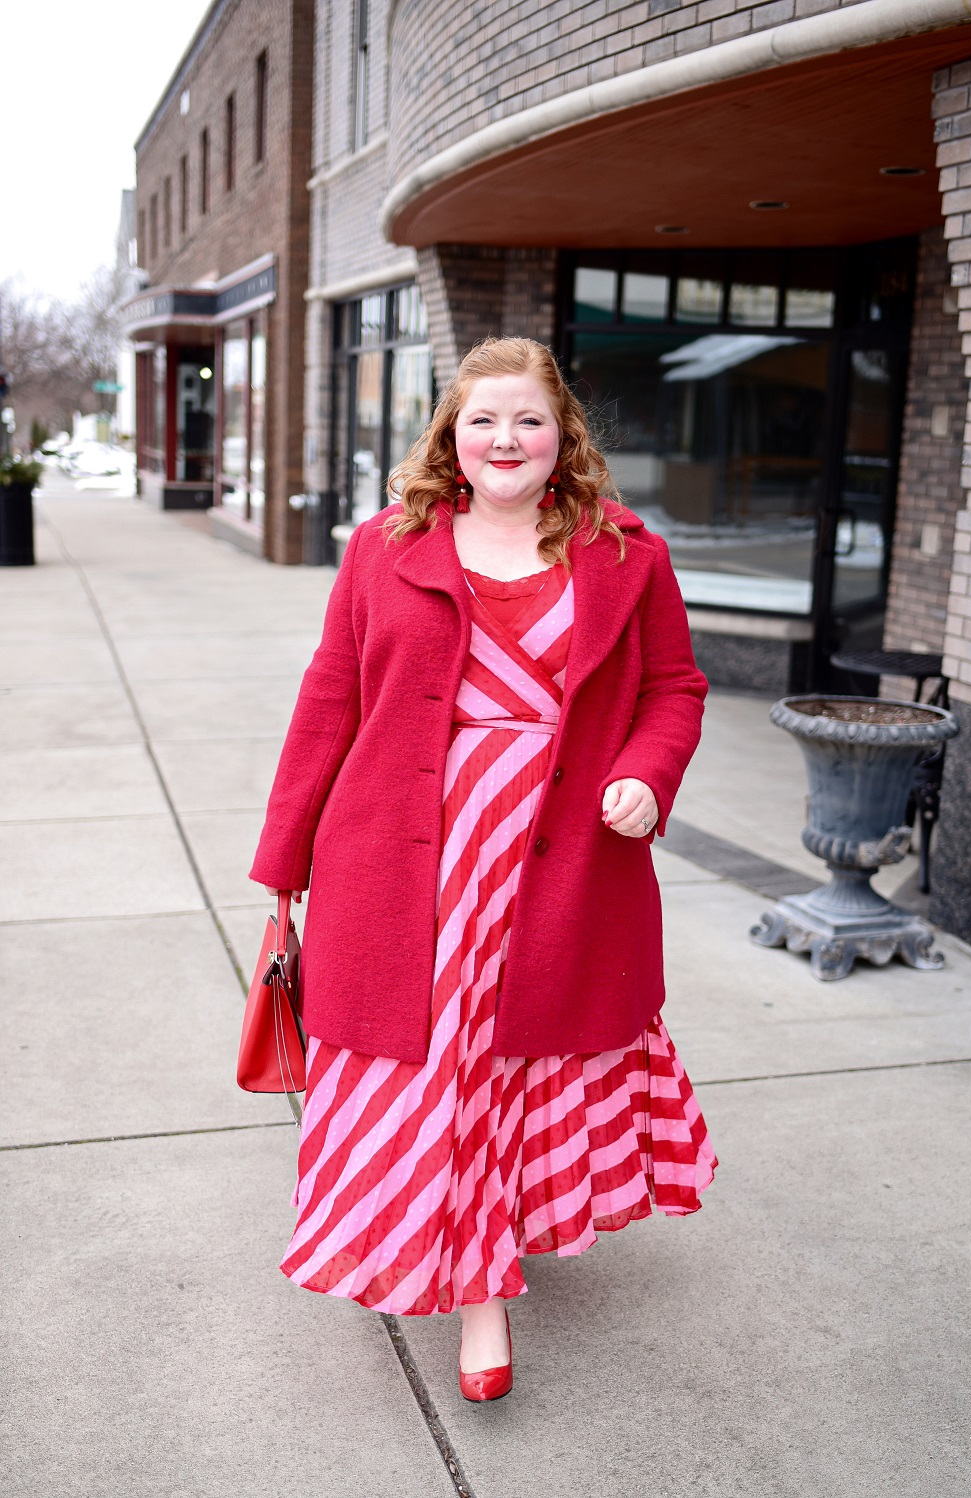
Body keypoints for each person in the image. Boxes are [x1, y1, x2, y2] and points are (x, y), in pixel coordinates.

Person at [250, 337, 716, 1402]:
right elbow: (332, 696)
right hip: (409, 854)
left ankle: (484, 1246)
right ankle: (480, 1298)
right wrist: (285, 856)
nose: (505, 439)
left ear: (563, 437)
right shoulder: (386, 546)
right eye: (482, 421)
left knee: (510, 1060)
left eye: (528, 421)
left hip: (561, 857)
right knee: (441, 1062)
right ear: (451, 436)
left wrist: (648, 773)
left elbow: (675, 687)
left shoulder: (626, 553)